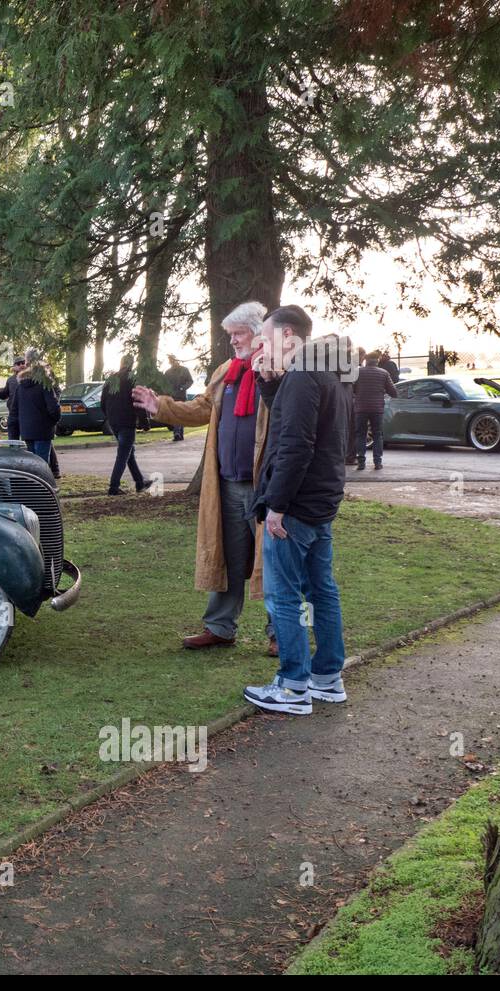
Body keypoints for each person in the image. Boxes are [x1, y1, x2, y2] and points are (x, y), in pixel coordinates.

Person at [133, 302, 277, 655]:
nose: (232, 341)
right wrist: (161, 407)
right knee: (226, 556)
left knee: (274, 560)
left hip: (265, 487)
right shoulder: (226, 370)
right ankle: (220, 628)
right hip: (226, 485)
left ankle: (282, 631)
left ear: (259, 333)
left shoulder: (276, 369)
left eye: (238, 334)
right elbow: (201, 408)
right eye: (230, 335)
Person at [243, 305, 348, 715]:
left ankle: (292, 687)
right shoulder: (326, 373)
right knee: (322, 591)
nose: (261, 347)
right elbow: (299, 423)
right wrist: (268, 383)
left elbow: (296, 445)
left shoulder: (304, 375)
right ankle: (327, 679)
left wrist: (277, 505)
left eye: (265, 338)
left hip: (297, 506)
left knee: (283, 595)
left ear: (288, 336)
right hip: (320, 503)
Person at [104, 355, 146, 495]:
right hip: (127, 422)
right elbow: (138, 402)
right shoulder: (132, 379)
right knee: (123, 455)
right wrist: (144, 422)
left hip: (114, 422)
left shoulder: (111, 379)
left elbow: (103, 401)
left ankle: (140, 483)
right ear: (132, 364)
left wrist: (109, 417)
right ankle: (113, 487)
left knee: (129, 453)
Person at [353, 351, 397, 471]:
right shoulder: (384, 373)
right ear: (377, 361)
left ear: (366, 360)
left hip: (360, 408)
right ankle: (378, 463)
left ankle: (361, 463)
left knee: (360, 435)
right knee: (377, 435)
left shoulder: (357, 372)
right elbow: (394, 392)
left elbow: (351, 389)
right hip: (377, 409)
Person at [15, 352, 61, 463]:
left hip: (26, 430)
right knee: (42, 463)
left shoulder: (21, 386)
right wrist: (54, 420)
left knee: (31, 463)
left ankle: (33, 481)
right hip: (43, 429)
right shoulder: (45, 384)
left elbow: (14, 410)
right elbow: (53, 407)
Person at [0, 353, 27, 442]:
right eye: (18, 364)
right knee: (13, 442)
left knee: (28, 441)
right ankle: (14, 455)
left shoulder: (32, 378)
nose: (21, 365)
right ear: (14, 367)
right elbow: (5, 394)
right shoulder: (10, 380)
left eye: (23, 363)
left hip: (27, 415)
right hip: (13, 415)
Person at [163, 355, 193, 441]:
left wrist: (183, 387)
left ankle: (179, 433)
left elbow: (190, 381)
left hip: (181, 395)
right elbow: (165, 384)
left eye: (173, 360)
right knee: (175, 414)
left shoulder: (184, 370)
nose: (172, 362)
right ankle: (177, 433)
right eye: (171, 361)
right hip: (172, 396)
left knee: (180, 414)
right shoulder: (168, 372)